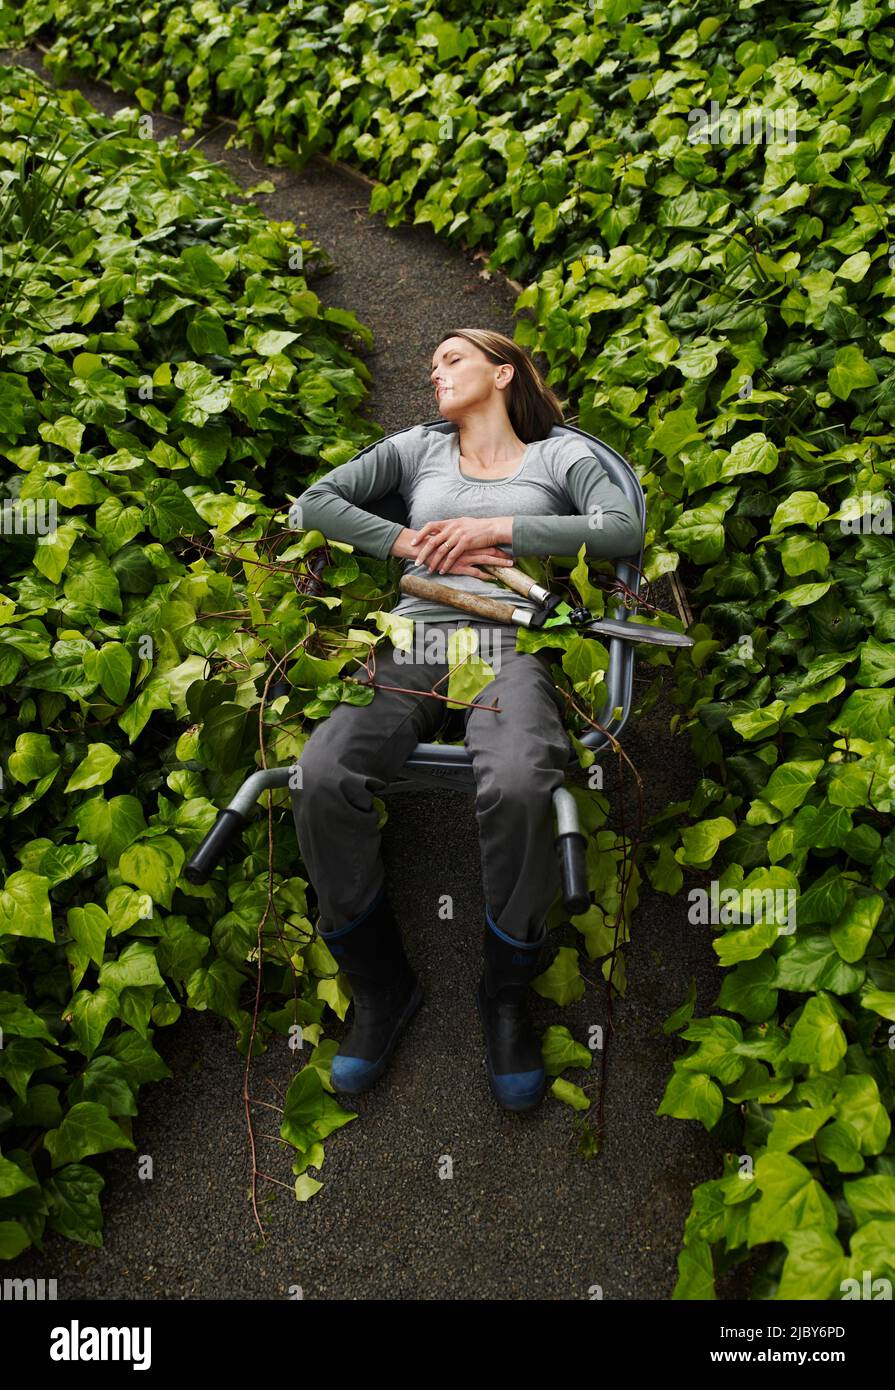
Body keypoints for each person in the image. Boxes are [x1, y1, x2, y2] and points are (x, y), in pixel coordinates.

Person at [292, 329, 641, 1112]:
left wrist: (498, 530)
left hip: (509, 641)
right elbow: (310, 503)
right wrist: (405, 539)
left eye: (450, 357)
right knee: (320, 772)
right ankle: (380, 987)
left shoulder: (561, 458)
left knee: (521, 778)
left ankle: (506, 993)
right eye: (431, 360)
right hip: (412, 637)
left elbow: (621, 528)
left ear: (502, 371)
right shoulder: (416, 449)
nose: (434, 370)